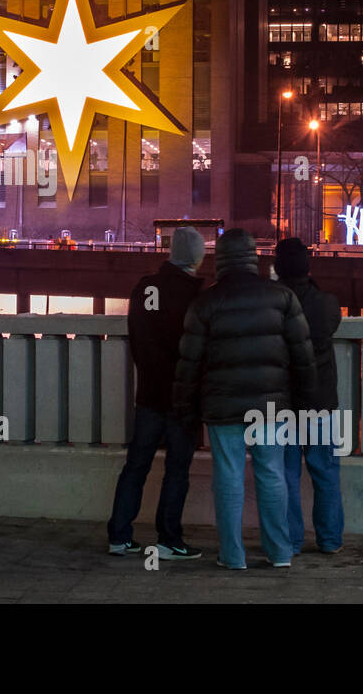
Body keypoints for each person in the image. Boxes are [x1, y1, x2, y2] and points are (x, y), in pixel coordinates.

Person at [173, 229, 315, 570]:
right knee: (272, 474)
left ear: (219, 259)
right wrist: (306, 403)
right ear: (254, 257)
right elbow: (303, 357)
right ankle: (279, 552)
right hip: (270, 406)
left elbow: (189, 363)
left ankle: (233, 555)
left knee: (229, 475)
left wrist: (183, 408)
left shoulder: (205, 302)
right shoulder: (281, 297)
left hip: (223, 406)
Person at [107, 226, 207, 559]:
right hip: (182, 397)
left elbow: (138, 337)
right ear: (196, 256)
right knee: (177, 469)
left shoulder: (145, 288)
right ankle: (168, 538)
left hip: (149, 392)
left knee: (136, 465)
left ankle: (119, 535)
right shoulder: (195, 295)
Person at [274, 238, 344, 555]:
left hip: (283, 401)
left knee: (287, 473)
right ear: (308, 267)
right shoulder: (327, 303)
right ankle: (329, 539)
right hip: (321, 401)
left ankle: (290, 540)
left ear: (277, 269)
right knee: (325, 470)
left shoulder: (272, 304)